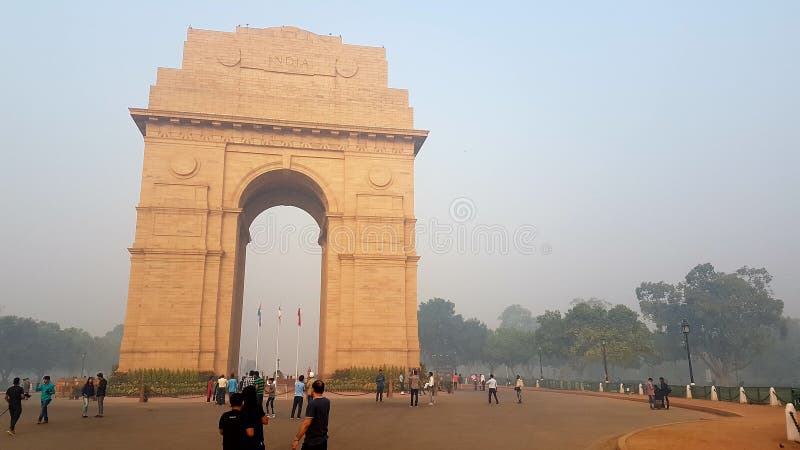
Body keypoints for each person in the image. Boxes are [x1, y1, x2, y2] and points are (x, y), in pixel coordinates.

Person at [291, 380, 329, 450]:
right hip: (323, 439)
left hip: (312, 441)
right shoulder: (327, 401)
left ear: (313, 389)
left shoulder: (312, 404)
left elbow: (306, 424)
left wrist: (297, 439)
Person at [241, 385, 268, 450]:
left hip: (244, 440)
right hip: (258, 439)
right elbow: (265, 421)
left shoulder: (242, 409)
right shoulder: (257, 407)